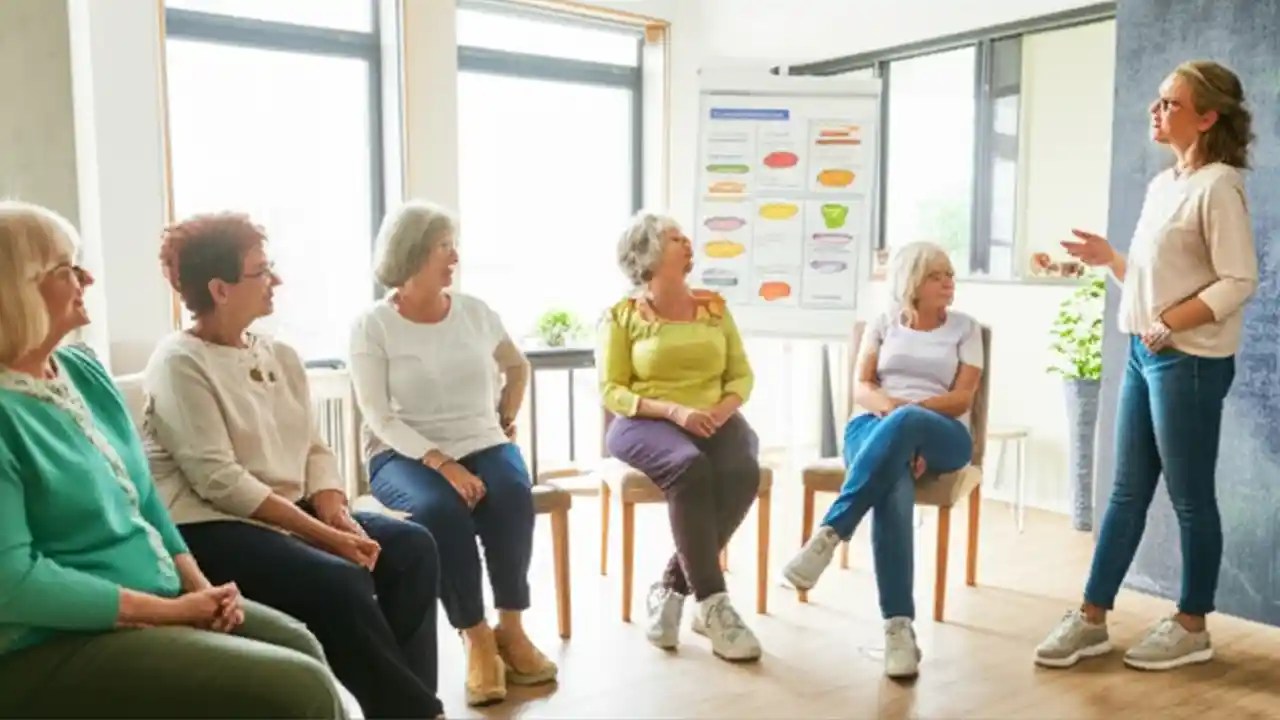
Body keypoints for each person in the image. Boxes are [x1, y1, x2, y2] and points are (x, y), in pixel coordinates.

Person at [0, 201, 346, 719]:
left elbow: (145, 501)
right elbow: (15, 585)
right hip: (51, 640)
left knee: (302, 646)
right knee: (298, 690)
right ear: (17, 291)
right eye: (66, 268)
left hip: (157, 592)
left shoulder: (81, 370)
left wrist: (203, 592)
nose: (87, 278)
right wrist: (168, 612)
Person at [143, 212, 444, 719]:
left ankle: (400, 710)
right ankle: (419, 714)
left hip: (287, 516)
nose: (275, 281)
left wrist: (337, 514)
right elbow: (220, 482)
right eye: (261, 271)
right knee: (338, 580)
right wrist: (327, 538)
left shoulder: (279, 354)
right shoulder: (179, 363)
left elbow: (313, 449)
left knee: (412, 548)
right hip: (212, 528)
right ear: (220, 287)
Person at [1034, 60, 1257, 671]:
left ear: (1208, 117)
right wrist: (1110, 259)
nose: (1155, 111)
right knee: (1126, 491)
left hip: (1187, 361)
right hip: (1144, 351)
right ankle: (1091, 618)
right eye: (1158, 101)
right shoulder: (1165, 186)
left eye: (1170, 103)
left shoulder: (1219, 186)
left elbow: (1240, 279)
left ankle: (1191, 624)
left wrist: (1171, 325)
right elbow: (1153, 285)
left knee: (1190, 499)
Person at [349, 200, 557, 708]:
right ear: (416, 253)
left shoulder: (474, 312)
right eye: (445, 247)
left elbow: (518, 366)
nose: (454, 257)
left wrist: (506, 419)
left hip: (483, 438)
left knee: (511, 492)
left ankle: (512, 628)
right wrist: (443, 463)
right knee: (441, 510)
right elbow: (380, 417)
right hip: (403, 453)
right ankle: (476, 636)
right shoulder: (372, 326)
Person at [782, 241, 983, 679]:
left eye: (950, 274)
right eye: (937, 275)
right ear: (912, 282)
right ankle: (899, 629)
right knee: (894, 485)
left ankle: (830, 533)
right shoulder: (883, 324)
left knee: (908, 422)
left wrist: (911, 423)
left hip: (942, 435)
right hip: (874, 426)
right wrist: (897, 424)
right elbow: (861, 388)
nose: (949, 282)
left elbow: (961, 397)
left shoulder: (966, 329)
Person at [597, 210, 763, 662]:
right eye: (675, 238)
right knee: (690, 468)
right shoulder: (621, 316)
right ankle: (714, 604)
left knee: (744, 470)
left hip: (714, 416)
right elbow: (612, 389)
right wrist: (674, 411)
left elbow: (742, 375)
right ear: (648, 254)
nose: (688, 243)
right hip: (644, 422)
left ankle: (672, 587)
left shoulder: (714, 308)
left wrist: (720, 409)